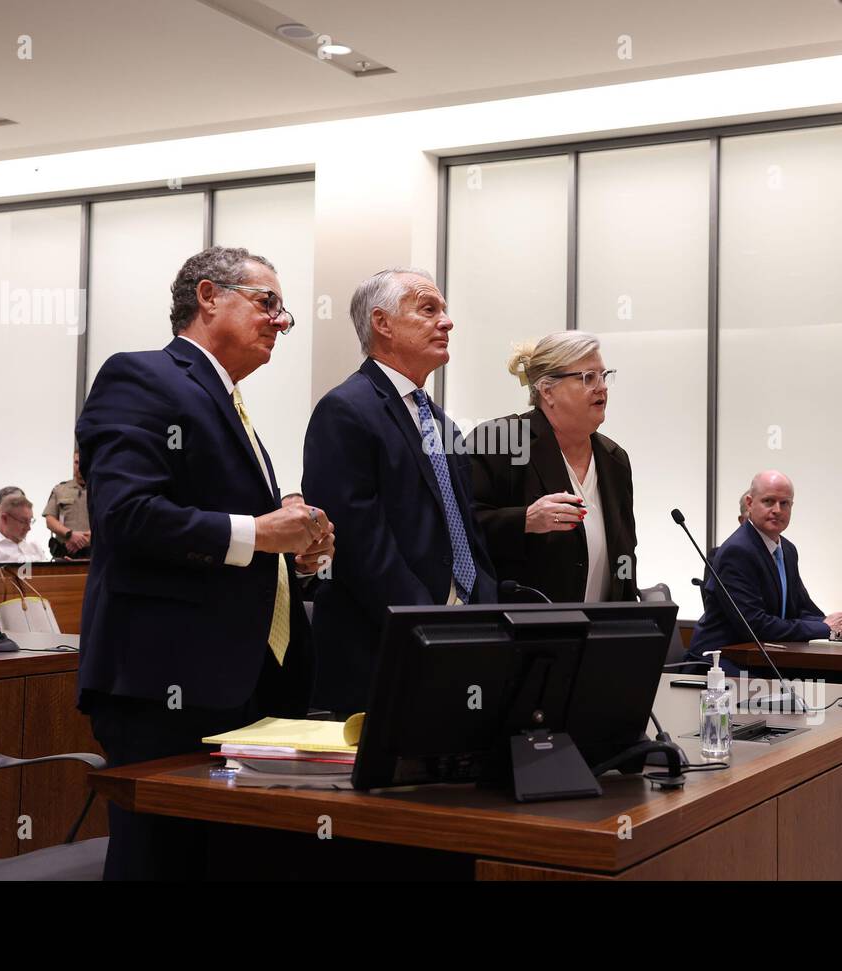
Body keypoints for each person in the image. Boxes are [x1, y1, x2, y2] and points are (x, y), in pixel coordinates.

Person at [76, 245, 334, 879]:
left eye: (284, 311)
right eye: (267, 302)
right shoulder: (141, 375)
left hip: (247, 683)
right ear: (208, 297)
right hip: (166, 682)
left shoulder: (232, 406)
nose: (279, 320)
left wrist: (293, 556)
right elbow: (125, 515)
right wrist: (258, 531)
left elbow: (225, 538)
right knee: (162, 862)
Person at [302, 268, 496, 715]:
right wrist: (426, 625)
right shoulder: (345, 409)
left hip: (458, 639)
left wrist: (484, 611)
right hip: (383, 647)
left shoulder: (442, 422)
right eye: (429, 309)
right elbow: (356, 541)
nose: (446, 322)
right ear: (382, 323)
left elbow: (466, 529)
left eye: (445, 311)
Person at [467, 332, 635, 603]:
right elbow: (463, 527)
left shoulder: (614, 458)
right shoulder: (500, 440)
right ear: (547, 390)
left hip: (600, 632)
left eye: (604, 376)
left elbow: (626, 553)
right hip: (522, 631)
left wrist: (630, 622)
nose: (602, 387)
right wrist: (525, 520)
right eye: (588, 377)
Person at [688, 470, 842, 662]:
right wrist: (825, 627)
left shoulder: (787, 549)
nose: (777, 510)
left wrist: (839, 621)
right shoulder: (738, 551)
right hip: (720, 659)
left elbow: (801, 609)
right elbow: (755, 625)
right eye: (769, 501)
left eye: (784, 503)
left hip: (763, 655)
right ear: (749, 503)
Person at [44, 449, 91, 560]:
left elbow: (105, 520)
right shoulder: (60, 489)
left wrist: (85, 538)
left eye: (83, 462)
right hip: (64, 553)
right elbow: (50, 520)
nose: (79, 466)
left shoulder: (100, 491)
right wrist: (70, 535)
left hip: (93, 554)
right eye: (76, 462)